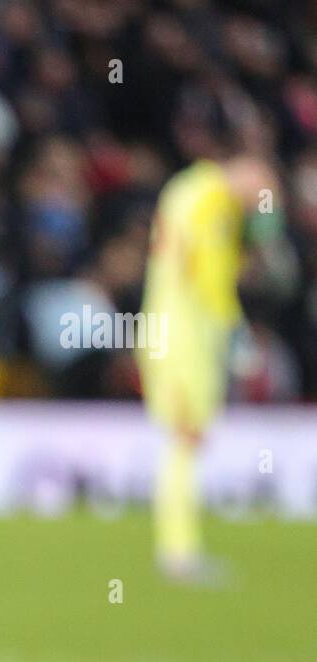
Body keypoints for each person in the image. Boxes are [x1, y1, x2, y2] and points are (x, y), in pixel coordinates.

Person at [138, 151, 278, 583]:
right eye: (259, 198)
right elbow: (209, 275)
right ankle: (178, 553)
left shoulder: (188, 189)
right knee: (184, 439)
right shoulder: (211, 201)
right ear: (248, 175)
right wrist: (236, 335)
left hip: (179, 332)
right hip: (184, 337)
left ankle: (180, 550)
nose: (256, 208)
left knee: (187, 440)